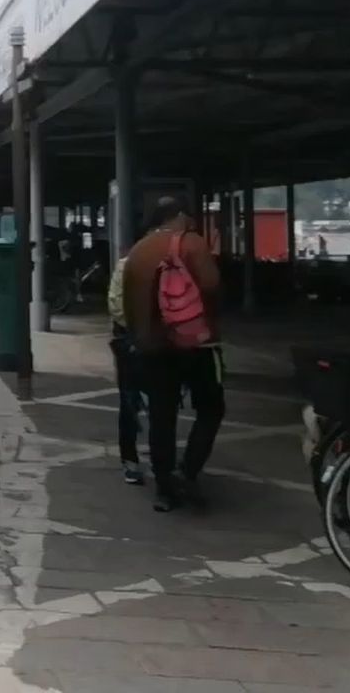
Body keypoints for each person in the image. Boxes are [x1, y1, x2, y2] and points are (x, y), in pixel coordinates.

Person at [122, 196, 223, 511]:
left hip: (152, 347)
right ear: (178, 215)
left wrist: (141, 338)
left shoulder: (137, 252)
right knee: (211, 407)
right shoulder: (191, 243)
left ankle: (164, 487)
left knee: (161, 415)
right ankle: (187, 470)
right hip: (196, 345)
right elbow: (212, 285)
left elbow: (127, 304)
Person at [107, 236, 146, 485]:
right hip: (158, 342)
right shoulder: (175, 261)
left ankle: (130, 459)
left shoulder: (125, 265)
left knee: (129, 398)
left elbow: (116, 308)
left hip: (132, 340)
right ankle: (138, 457)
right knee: (159, 400)